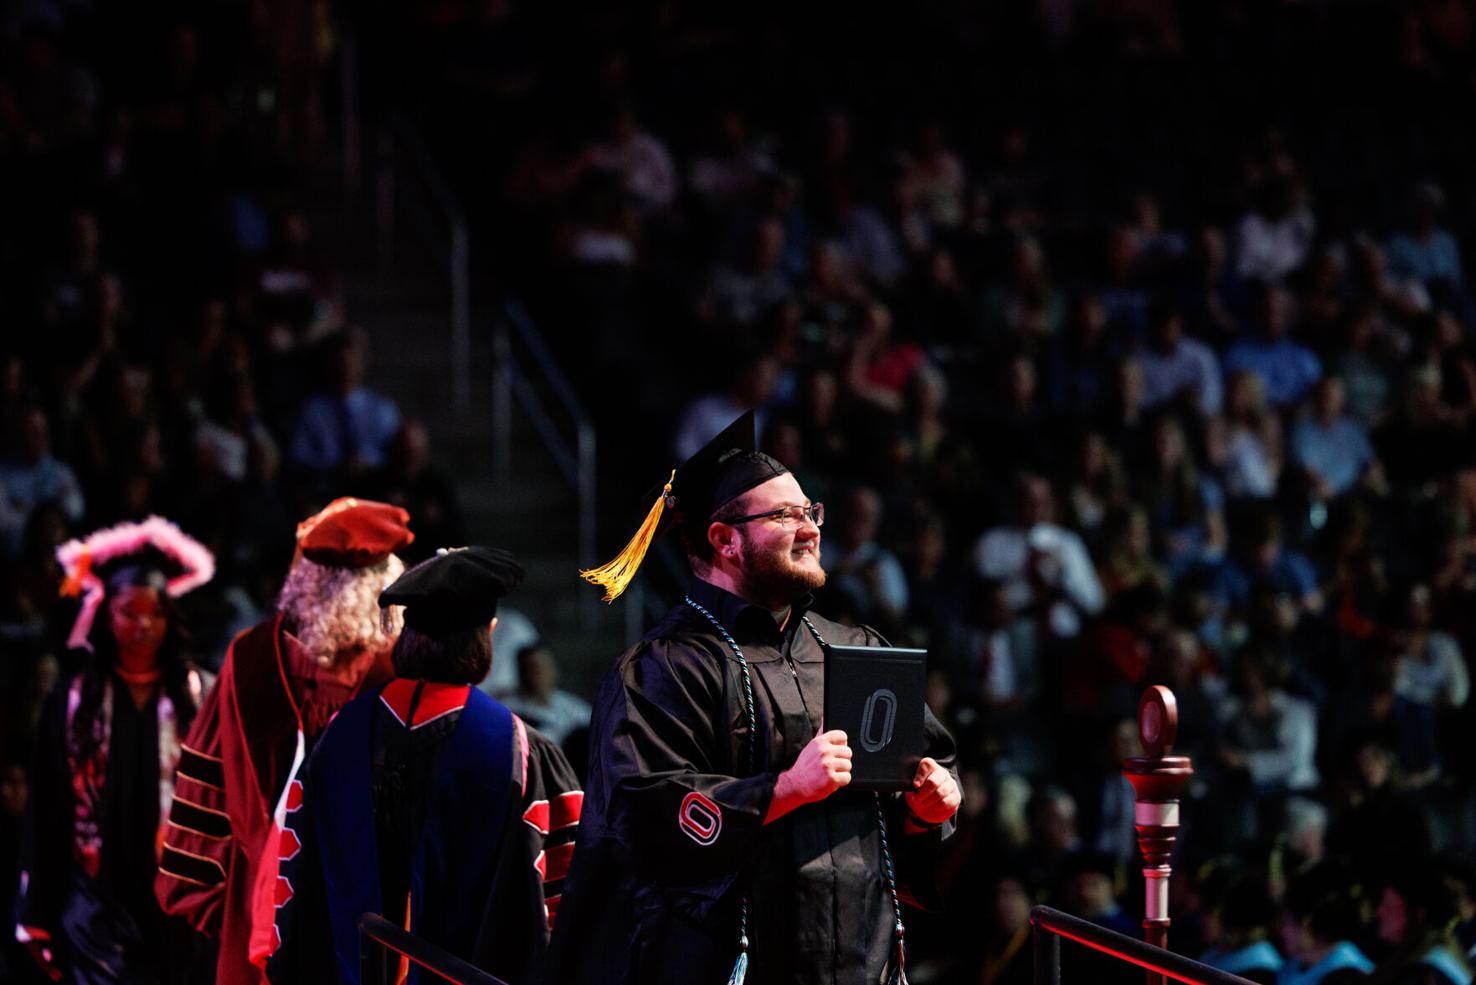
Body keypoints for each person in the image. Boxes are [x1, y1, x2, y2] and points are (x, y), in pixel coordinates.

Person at [552, 412, 960, 985]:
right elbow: (644, 817)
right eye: (784, 515)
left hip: (862, 965)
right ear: (725, 540)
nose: (811, 528)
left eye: (810, 512)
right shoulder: (664, 667)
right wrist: (785, 790)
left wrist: (929, 809)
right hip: (729, 965)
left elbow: (927, 767)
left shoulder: (858, 650)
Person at [268, 546, 582, 985]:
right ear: (487, 634)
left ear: (405, 636)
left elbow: (296, 876)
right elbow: (563, 893)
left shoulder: (339, 736)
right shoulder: (520, 748)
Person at [154, 497, 415, 984]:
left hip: (318, 901)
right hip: (316, 901)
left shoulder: (397, 667)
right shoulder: (255, 661)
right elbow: (208, 783)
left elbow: (204, 786)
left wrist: (215, 901)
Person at [17, 517, 216, 984]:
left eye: (155, 612)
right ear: (106, 615)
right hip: (95, 899)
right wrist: (35, 908)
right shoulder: (72, 703)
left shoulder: (199, 694)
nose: (143, 625)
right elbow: (46, 810)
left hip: (180, 901)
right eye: (130, 611)